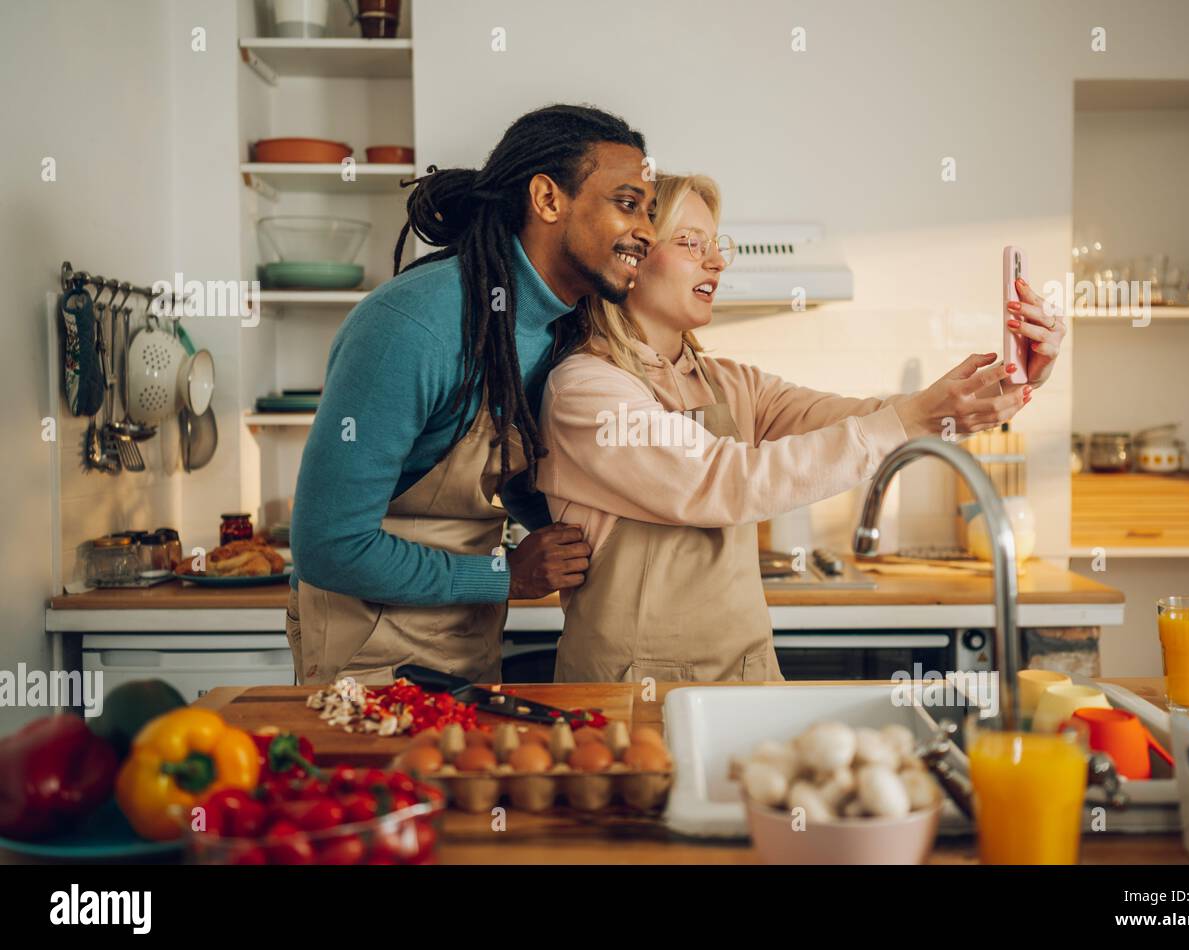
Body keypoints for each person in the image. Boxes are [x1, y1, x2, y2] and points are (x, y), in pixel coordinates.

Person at [536, 173, 1064, 683]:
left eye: (718, 245)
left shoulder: (732, 384)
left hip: (747, 684)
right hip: (630, 701)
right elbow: (722, 481)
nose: (716, 262)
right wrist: (916, 416)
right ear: (631, 255)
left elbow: (860, 419)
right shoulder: (586, 390)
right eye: (691, 243)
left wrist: (1004, 387)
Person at [287, 104, 660, 685]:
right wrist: (506, 575)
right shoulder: (412, 325)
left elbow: (511, 471)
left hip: (463, 642)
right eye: (628, 203)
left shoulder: (559, 326)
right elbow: (328, 545)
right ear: (547, 199)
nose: (648, 232)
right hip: (366, 657)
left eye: (651, 212)